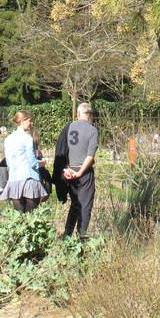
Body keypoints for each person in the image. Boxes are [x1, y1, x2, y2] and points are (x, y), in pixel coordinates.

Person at [60, 102, 98, 238]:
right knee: (85, 204)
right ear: (90, 115)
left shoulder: (68, 127)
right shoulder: (92, 130)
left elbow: (62, 150)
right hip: (84, 172)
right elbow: (90, 155)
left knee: (75, 203)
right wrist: (81, 172)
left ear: (78, 114)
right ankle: (82, 235)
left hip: (69, 171)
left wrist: (67, 170)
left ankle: (67, 234)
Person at [2, 111, 49, 213]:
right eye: (29, 120)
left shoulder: (8, 139)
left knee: (19, 219)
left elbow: (8, 162)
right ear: (22, 121)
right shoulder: (27, 138)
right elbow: (32, 162)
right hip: (29, 179)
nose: (31, 123)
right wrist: (43, 162)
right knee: (31, 216)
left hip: (14, 181)